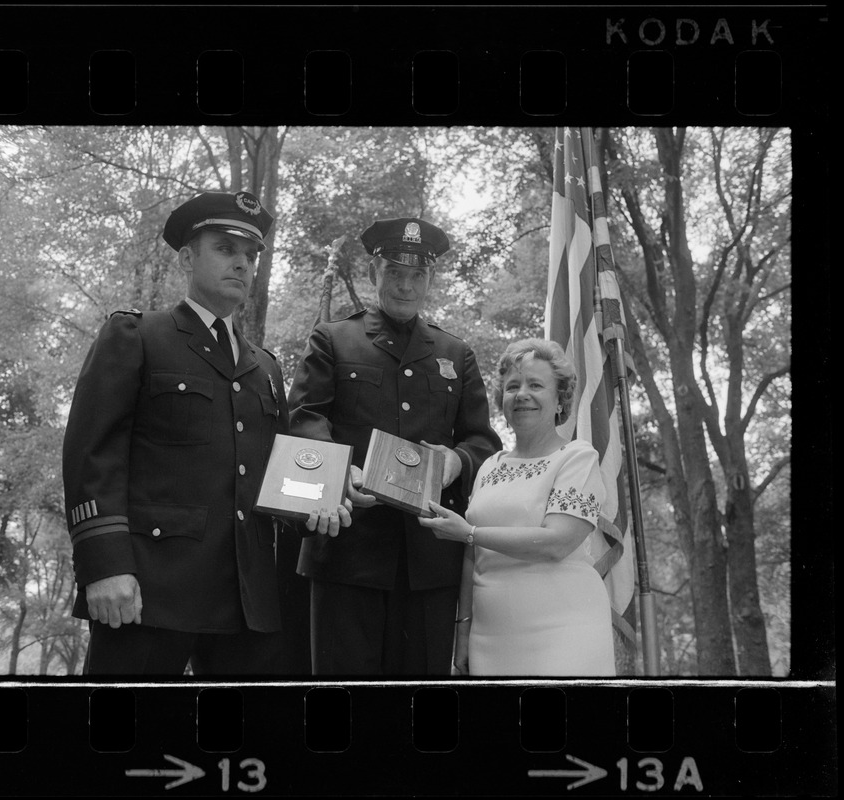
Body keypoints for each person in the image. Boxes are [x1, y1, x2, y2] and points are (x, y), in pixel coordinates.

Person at [62, 190, 349, 676]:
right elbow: (92, 455)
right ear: (187, 258)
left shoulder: (265, 369)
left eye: (251, 255)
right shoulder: (137, 336)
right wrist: (105, 565)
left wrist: (318, 506)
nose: (242, 263)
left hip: (246, 599)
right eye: (225, 249)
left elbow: (276, 475)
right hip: (150, 591)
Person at [287, 217, 502, 675]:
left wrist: (455, 460)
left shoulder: (455, 353)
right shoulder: (332, 340)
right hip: (346, 552)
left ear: (430, 279)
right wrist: (337, 474)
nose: (406, 286)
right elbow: (305, 420)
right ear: (373, 275)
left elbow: (482, 441)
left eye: (417, 275)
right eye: (394, 273)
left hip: (429, 563)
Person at [419, 338, 616, 676]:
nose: (522, 394)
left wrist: (470, 533)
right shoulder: (489, 466)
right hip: (490, 638)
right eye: (513, 386)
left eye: (536, 385)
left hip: (566, 631)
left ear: (560, 400)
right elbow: (472, 557)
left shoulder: (577, 458)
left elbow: (557, 542)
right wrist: (463, 633)